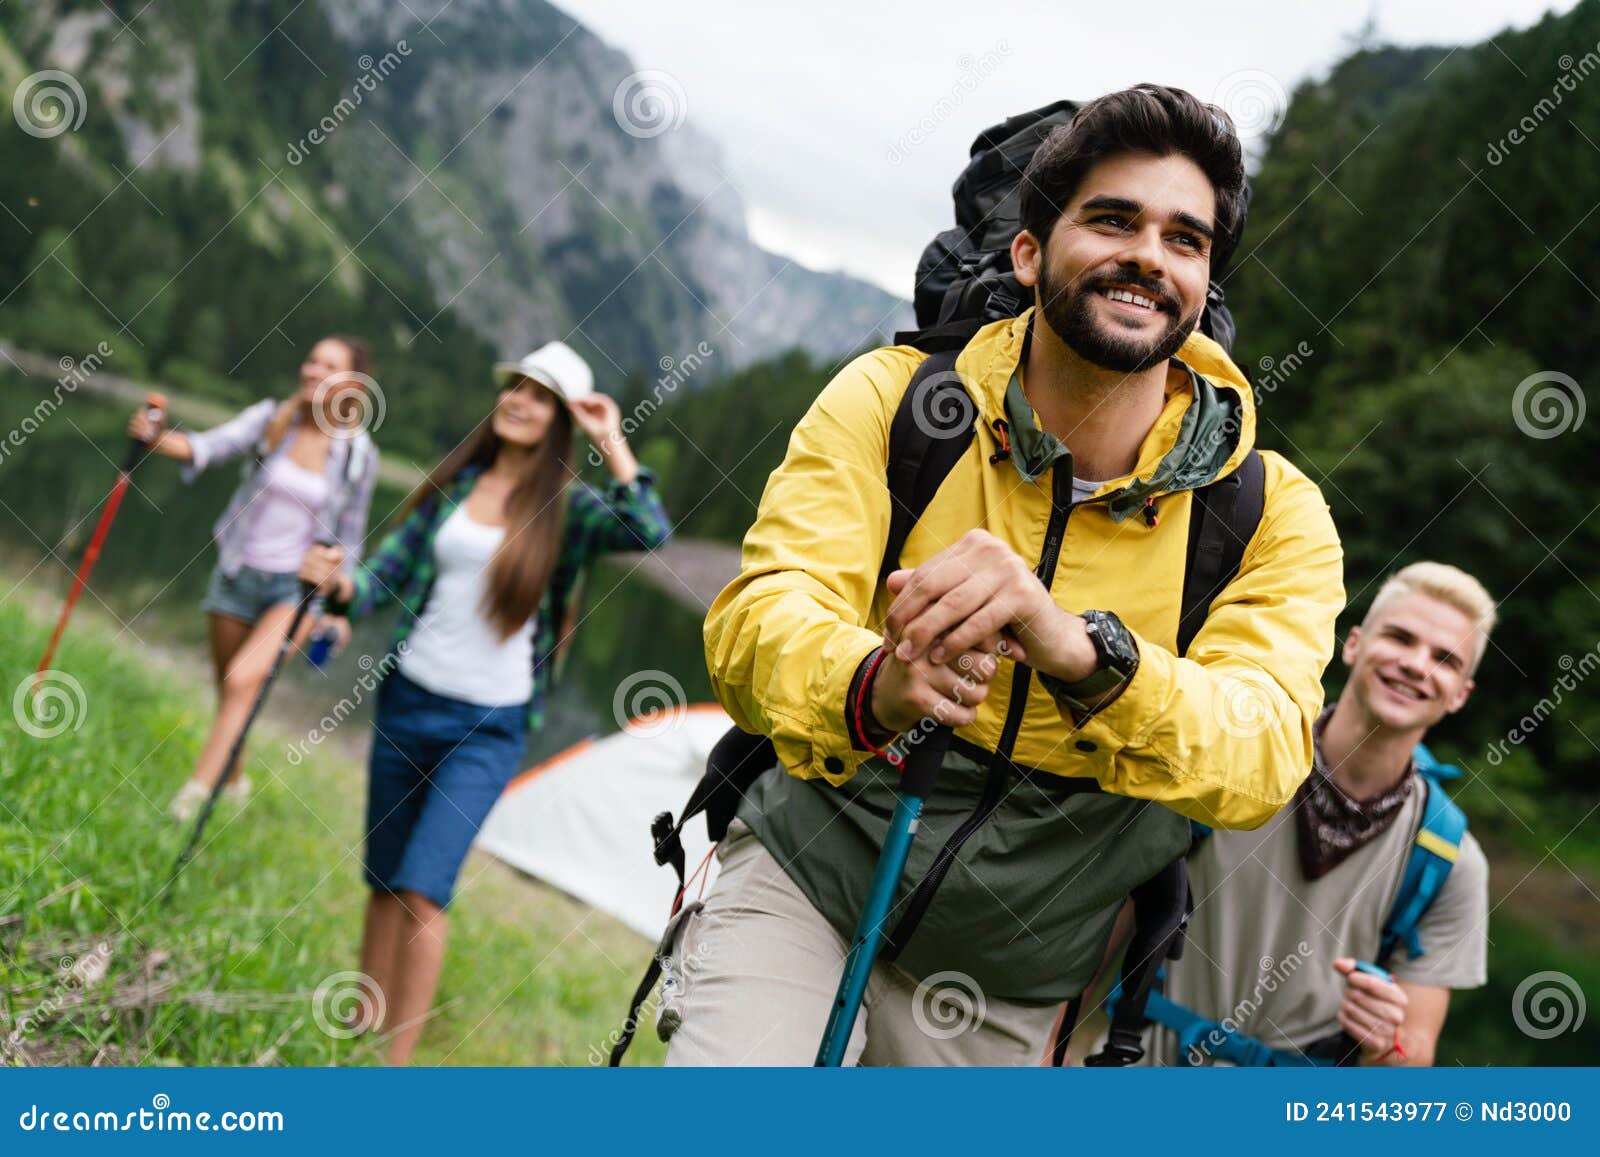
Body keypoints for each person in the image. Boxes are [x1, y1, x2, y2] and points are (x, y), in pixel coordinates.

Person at [667, 85, 1344, 1066]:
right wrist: (877, 681)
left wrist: (1090, 654)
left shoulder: (1269, 512)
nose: (1149, 256)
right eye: (1112, 220)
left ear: (1204, 284)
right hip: (810, 877)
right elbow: (758, 619)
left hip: (1014, 975)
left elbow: (1264, 751)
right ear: (1029, 253)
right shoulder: (894, 401)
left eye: (1184, 239)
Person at [299, 341, 672, 1065]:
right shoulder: (455, 486)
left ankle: (394, 1066)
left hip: (488, 727)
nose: (519, 401)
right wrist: (339, 585)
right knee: (382, 880)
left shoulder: (568, 511)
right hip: (408, 701)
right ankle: (357, 1033)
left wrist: (611, 439)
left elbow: (648, 529)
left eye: (539, 395)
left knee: (423, 888)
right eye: (514, 387)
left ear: (560, 417)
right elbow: (383, 578)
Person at [1143, 562, 1494, 1067]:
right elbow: (1101, 938)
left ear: (1460, 694)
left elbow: (1411, 1062)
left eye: (1445, 658)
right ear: (1353, 644)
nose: (1417, 665)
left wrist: (1384, 1041)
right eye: (1399, 638)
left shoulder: (1450, 861)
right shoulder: (1235, 759)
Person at [127, 336, 380, 820]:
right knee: (231, 688)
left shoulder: (358, 455)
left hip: (297, 591)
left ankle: (191, 799)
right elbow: (209, 446)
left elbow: (350, 540)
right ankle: (235, 778)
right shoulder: (270, 418)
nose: (312, 370)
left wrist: (340, 607)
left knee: (244, 680)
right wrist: (157, 438)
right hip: (238, 570)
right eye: (311, 360)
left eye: (328, 366)